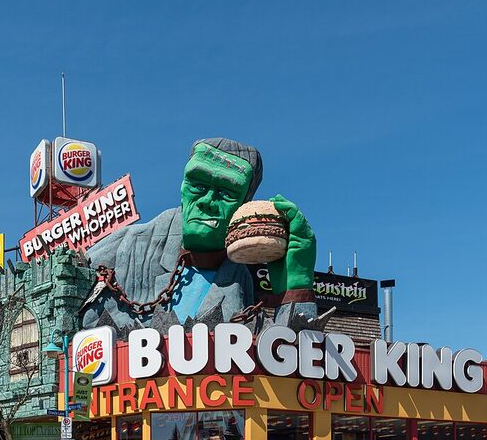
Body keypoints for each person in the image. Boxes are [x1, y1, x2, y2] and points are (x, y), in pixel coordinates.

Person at [82, 138, 325, 331]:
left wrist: (295, 287)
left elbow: (283, 367)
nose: (207, 201)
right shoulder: (127, 246)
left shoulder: (241, 280)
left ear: (244, 204)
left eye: (226, 192)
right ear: (182, 186)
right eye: (198, 185)